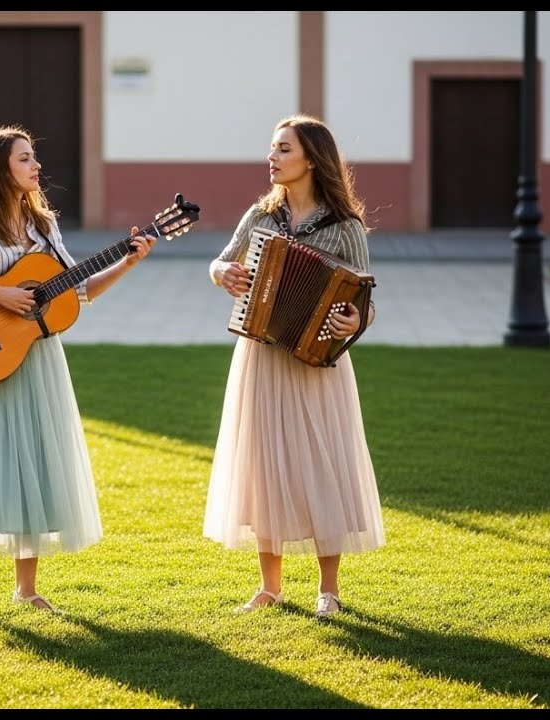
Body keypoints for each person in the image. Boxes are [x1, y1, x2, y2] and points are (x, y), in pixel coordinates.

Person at [0, 125, 157, 619]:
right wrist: (0, 294)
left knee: (35, 466)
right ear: (0, 168)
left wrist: (128, 262)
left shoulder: (44, 226)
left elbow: (75, 291)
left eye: (34, 158)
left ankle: (26, 588)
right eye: (25, 159)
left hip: (36, 359)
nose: (36, 166)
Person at [203, 113, 385, 618]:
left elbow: (364, 298)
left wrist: (355, 321)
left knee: (324, 463)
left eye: (283, 149)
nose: (272, 157)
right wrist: (225, 275)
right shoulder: (259, 216)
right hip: (261, 354)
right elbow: (219, 261)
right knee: (263, 464)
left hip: (315, 363)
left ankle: (329, 589)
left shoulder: (345, 226)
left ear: (311, 158)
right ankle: (270, 587)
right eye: (273, 148)